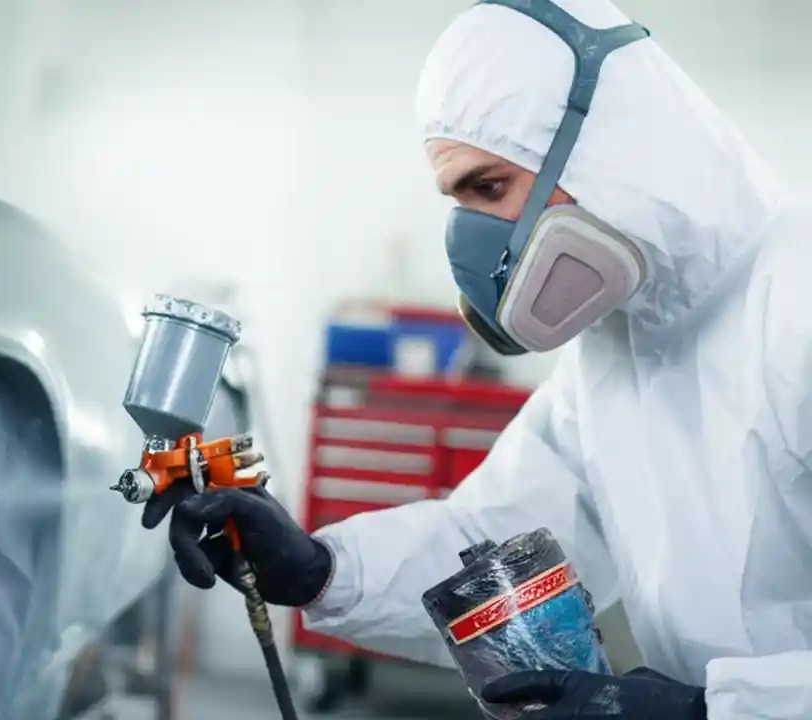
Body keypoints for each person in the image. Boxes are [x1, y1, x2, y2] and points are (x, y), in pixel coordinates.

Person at [142, 0, 812, 717]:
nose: (478, 242)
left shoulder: (794, 300)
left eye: (489, 188)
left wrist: (717, 709)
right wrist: (320, 571)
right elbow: (495, 544)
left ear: (608, 151)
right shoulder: (617, 348)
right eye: (459, 201)